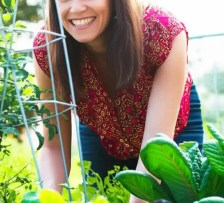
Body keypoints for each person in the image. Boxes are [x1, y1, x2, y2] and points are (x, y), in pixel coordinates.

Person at [32, 0, 204, 202]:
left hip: (170, 131)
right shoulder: (48, 48)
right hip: (104, 133)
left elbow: (155, 145)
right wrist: (50, 197)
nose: (77, 8)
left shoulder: (163, 30)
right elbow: (53, 147)